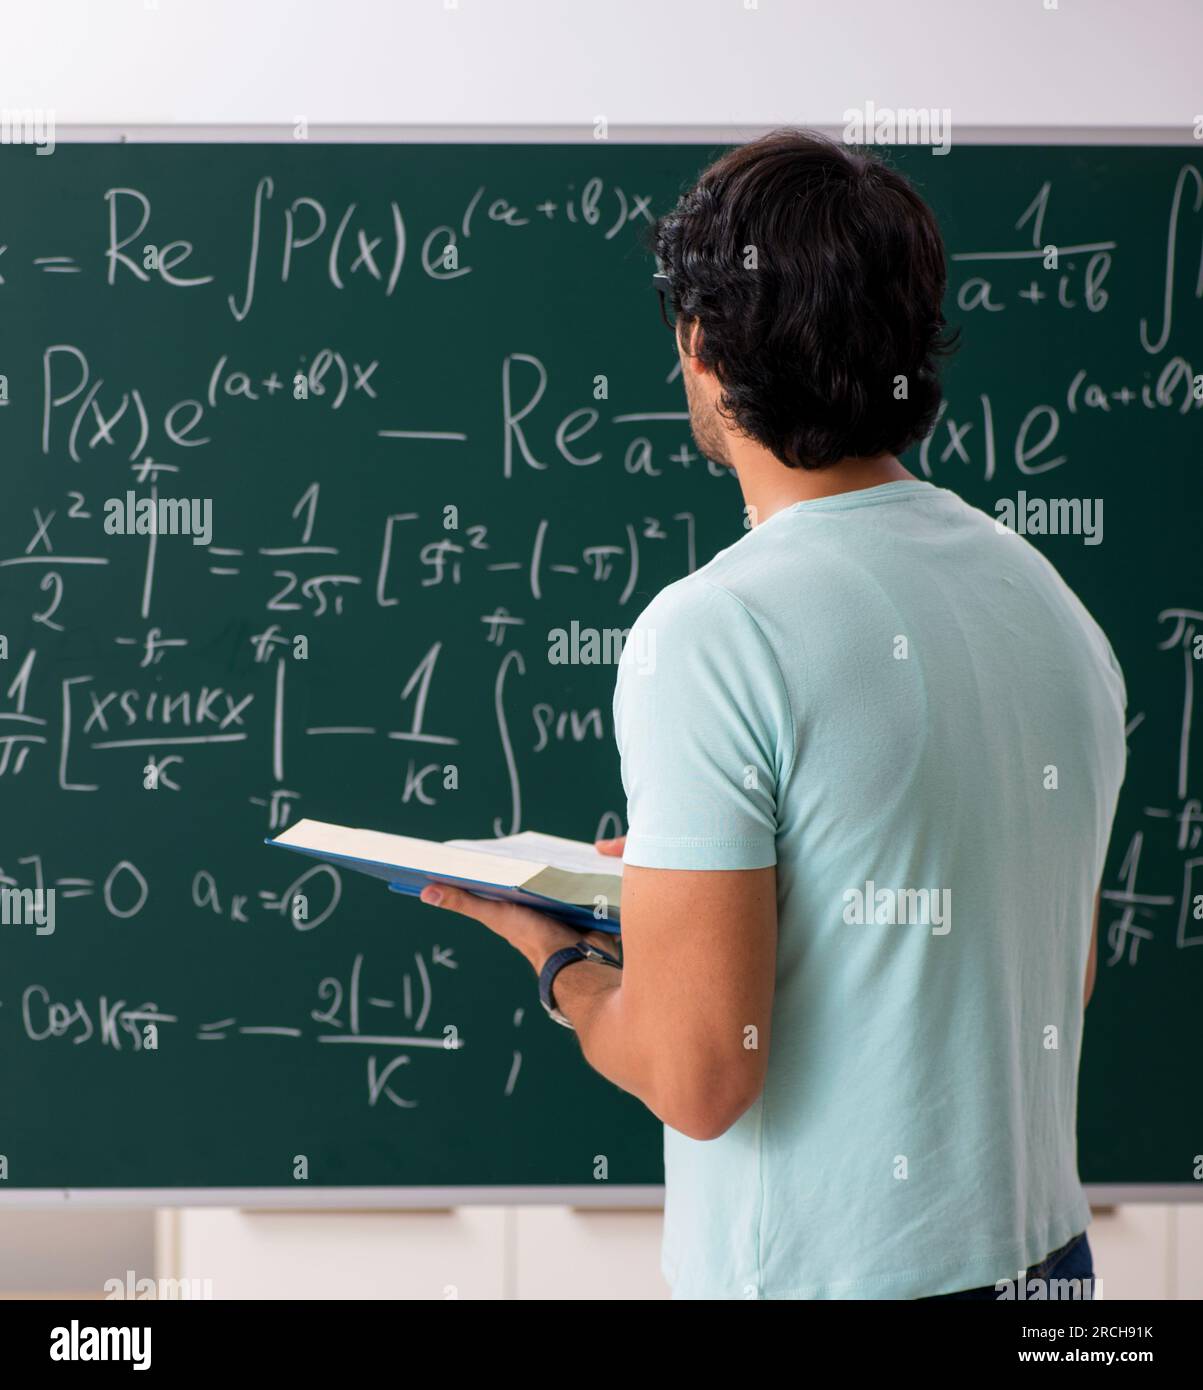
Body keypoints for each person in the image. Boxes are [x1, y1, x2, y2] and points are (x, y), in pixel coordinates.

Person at [420, 129, 1127, 1300]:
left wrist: (570, 972)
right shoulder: (1051, 607)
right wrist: (709, 896)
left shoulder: (715, 633)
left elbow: (702, 1078)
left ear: (702, 350)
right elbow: (1058, 964)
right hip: (1050, 1275)